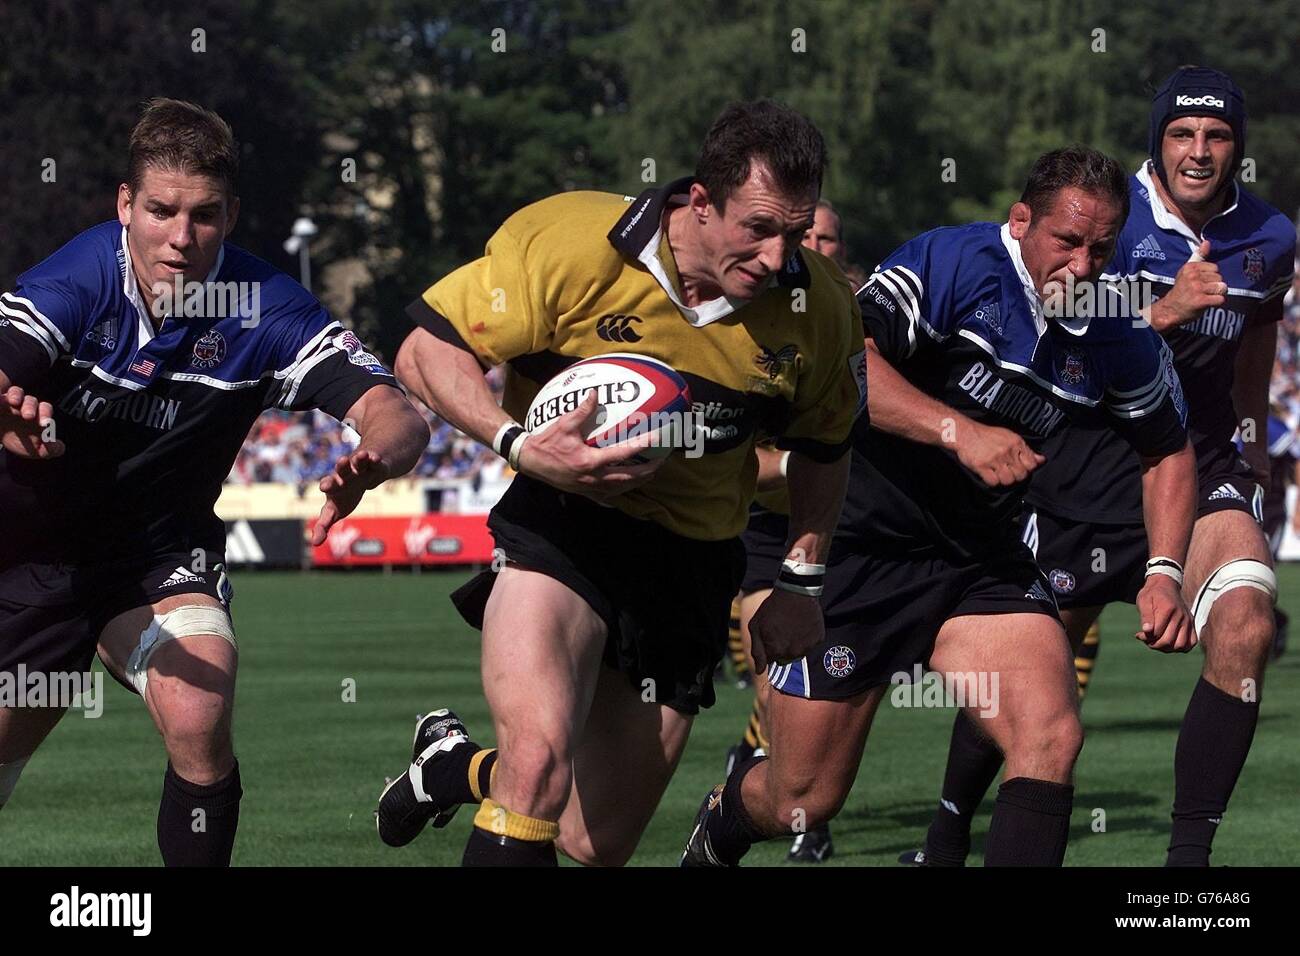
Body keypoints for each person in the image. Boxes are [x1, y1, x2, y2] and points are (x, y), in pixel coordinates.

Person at [374, 100, 866, 867]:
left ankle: (452, 765)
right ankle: (492, 773)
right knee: (535, 769)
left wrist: (803, 582)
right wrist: (520, 446)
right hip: (563, 526)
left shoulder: (818, 307)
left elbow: (827, 447)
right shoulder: (574, 242)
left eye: (796, 234)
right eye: (759, 228)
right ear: (700, 202)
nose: (778, 257)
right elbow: (424, 349)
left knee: (591, 842)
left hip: (691, 560)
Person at [682, 145, 1197, 868]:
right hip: (860, 545)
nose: (1083, 267)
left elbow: (1167, 450)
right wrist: (959, 431)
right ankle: (722, 823)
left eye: (1102, 250)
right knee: (801, 798)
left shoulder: (1118, 326)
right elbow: (850, 359)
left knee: (1049, 734)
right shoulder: (954, 262)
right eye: (1068, 242)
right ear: (1021, 222)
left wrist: (1165, 570)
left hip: (980, 558)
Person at [0, 98, 430, 864]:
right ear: (125, 206)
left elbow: (393, 411)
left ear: (230, 216)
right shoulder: (77, 280)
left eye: (203, 215)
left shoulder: (267, 307)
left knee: (199, 709)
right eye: (161, 210)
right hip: (24, 552)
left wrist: (378, 452)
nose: (180, 238)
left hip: (150, 555)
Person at [907, 68, 1296, 868]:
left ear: (1238, 147)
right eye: (1182, 134)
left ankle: (1188, 866)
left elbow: (1255, 342)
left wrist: (1253, 443)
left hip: (1198, 460)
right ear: (1158, 140)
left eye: (1217, 136)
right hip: (1082, 460)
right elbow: (1052, 318)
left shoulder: (1272, 237)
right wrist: (1159, 312)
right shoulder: (1110, 214)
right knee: (1034, 662)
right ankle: (946, 833)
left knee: (1249, 624)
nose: (1199, 151)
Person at [718, 203, 856, 864]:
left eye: (825, 237)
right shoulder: (745, 313)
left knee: (835, 682)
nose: (814, 247)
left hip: (839, 531)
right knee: (780, 672)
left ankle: (757, 766)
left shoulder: (854, 316)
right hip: (765, 532)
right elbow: (743, 459)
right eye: (807, 237)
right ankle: (791, 804)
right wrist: (815, 461)